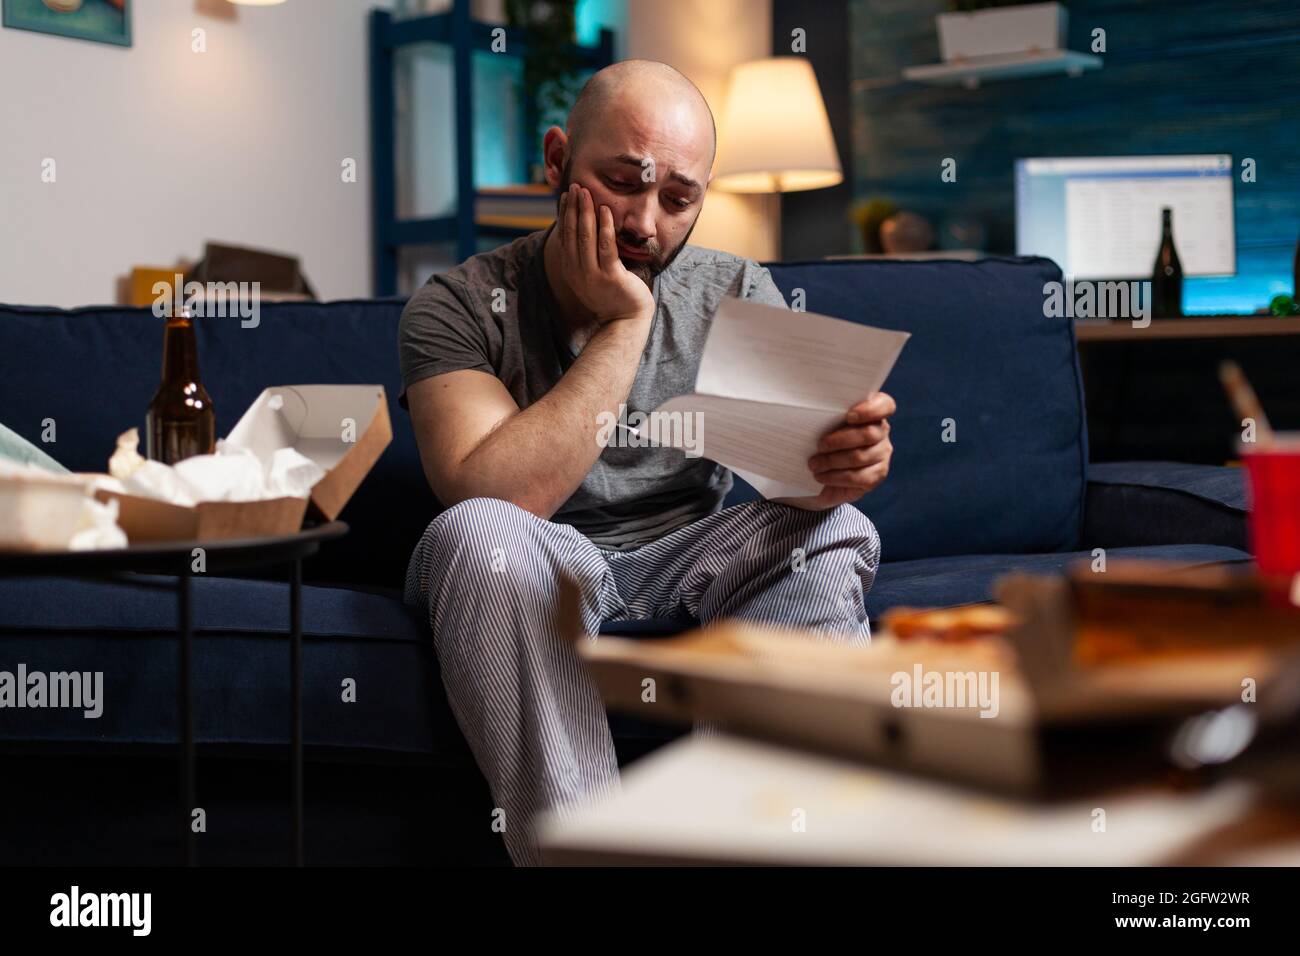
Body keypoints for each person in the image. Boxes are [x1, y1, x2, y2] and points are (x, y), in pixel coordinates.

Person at [398, 59, 896, 865]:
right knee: (477, 533)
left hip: (682, 558)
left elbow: (795, 474)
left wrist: (845, 463)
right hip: (532, 559)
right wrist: (627, 322)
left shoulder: (732, 286)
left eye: (677, 198)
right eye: (622, 183)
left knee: (833, 526)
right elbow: (493, 491)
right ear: (557, 161)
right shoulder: (456, 304)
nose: (644, 223)